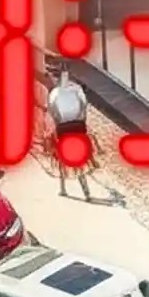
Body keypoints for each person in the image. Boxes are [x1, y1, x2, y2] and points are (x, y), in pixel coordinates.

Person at [46, 61, 96, 200]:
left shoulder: (54, 94)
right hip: (78, 127)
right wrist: (81, 121)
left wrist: (57, 126)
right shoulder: (77, 89)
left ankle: (63, 189)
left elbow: (53, 113)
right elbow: (84, 107)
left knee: (62, 159)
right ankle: (86, 193)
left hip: (64, 129)